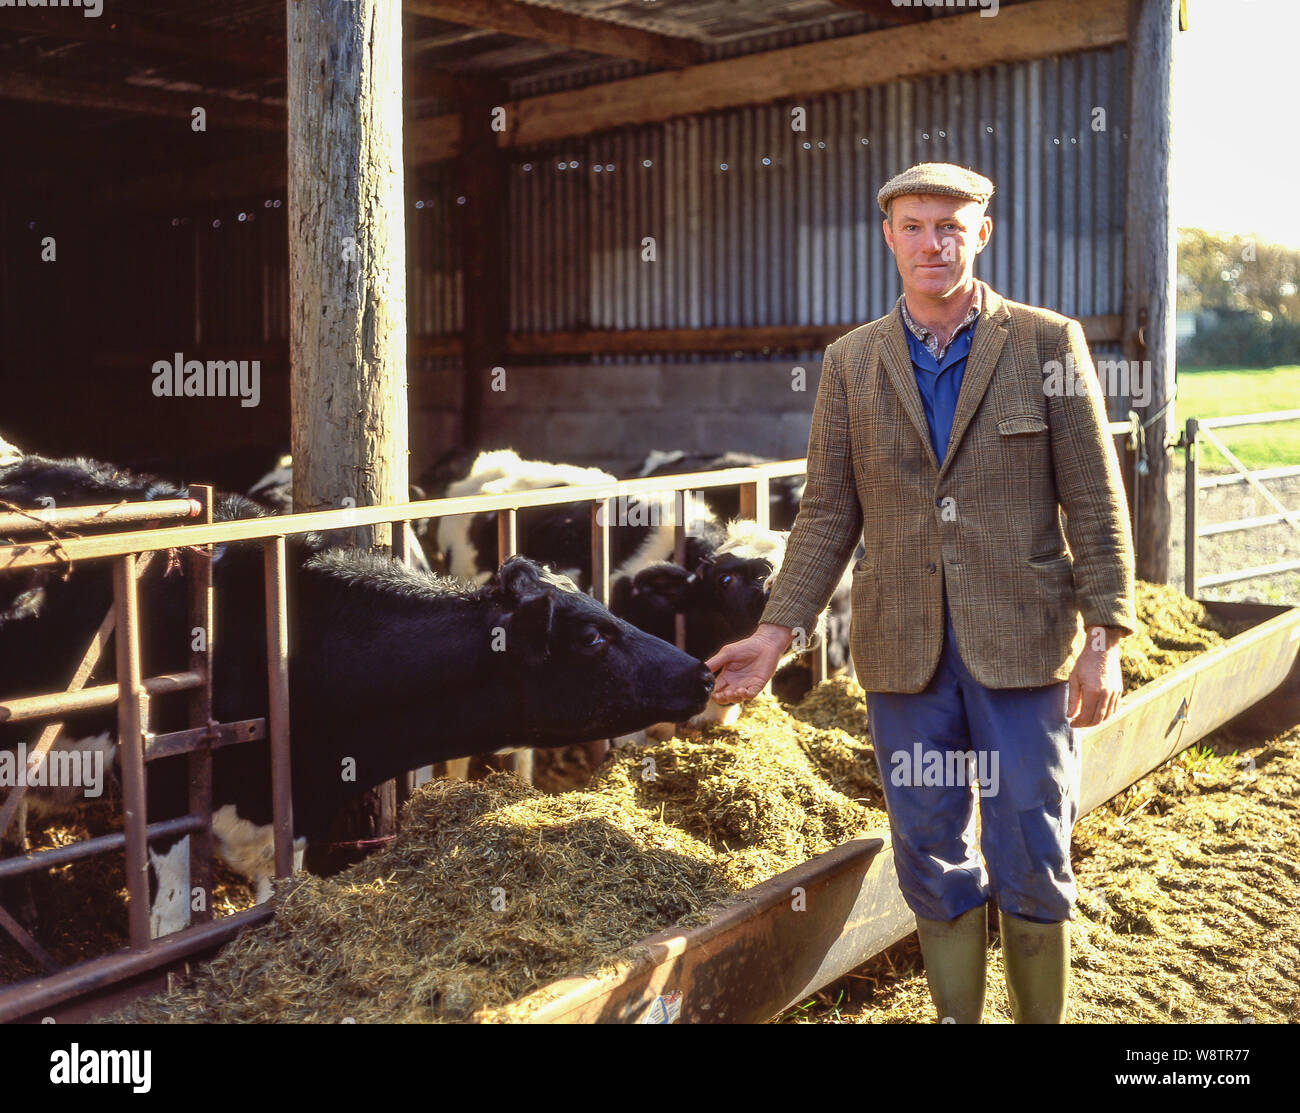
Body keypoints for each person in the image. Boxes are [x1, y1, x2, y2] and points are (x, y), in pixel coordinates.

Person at [705, 162, 1136, 1024]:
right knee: (932, 854)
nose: (931, 241)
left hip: (1020, 645)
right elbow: (828, 510)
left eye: (950, 225)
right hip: (904, 649)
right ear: (889, 236)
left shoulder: (1047, 344)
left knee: (1032, 844)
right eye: (913, 225)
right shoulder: (852, 363)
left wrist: (1105, 635)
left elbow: (1094, 496)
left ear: (982, 233)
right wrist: (775, 630)